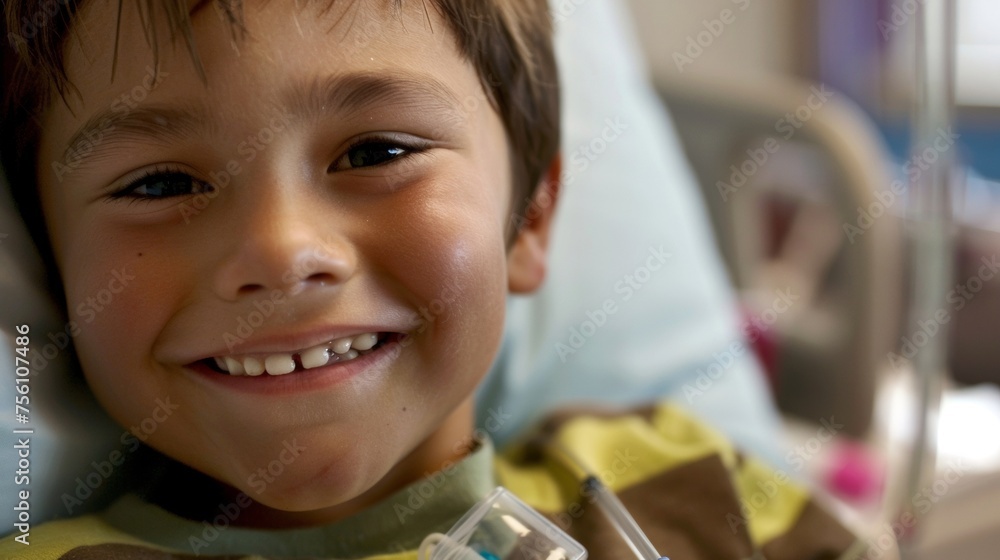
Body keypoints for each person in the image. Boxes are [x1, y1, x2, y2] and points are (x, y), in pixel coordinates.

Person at [0, 1, 857, 558]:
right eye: (159, 185)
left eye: (377, 153)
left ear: (528, 220)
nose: (280, 250)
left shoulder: (691, 480)